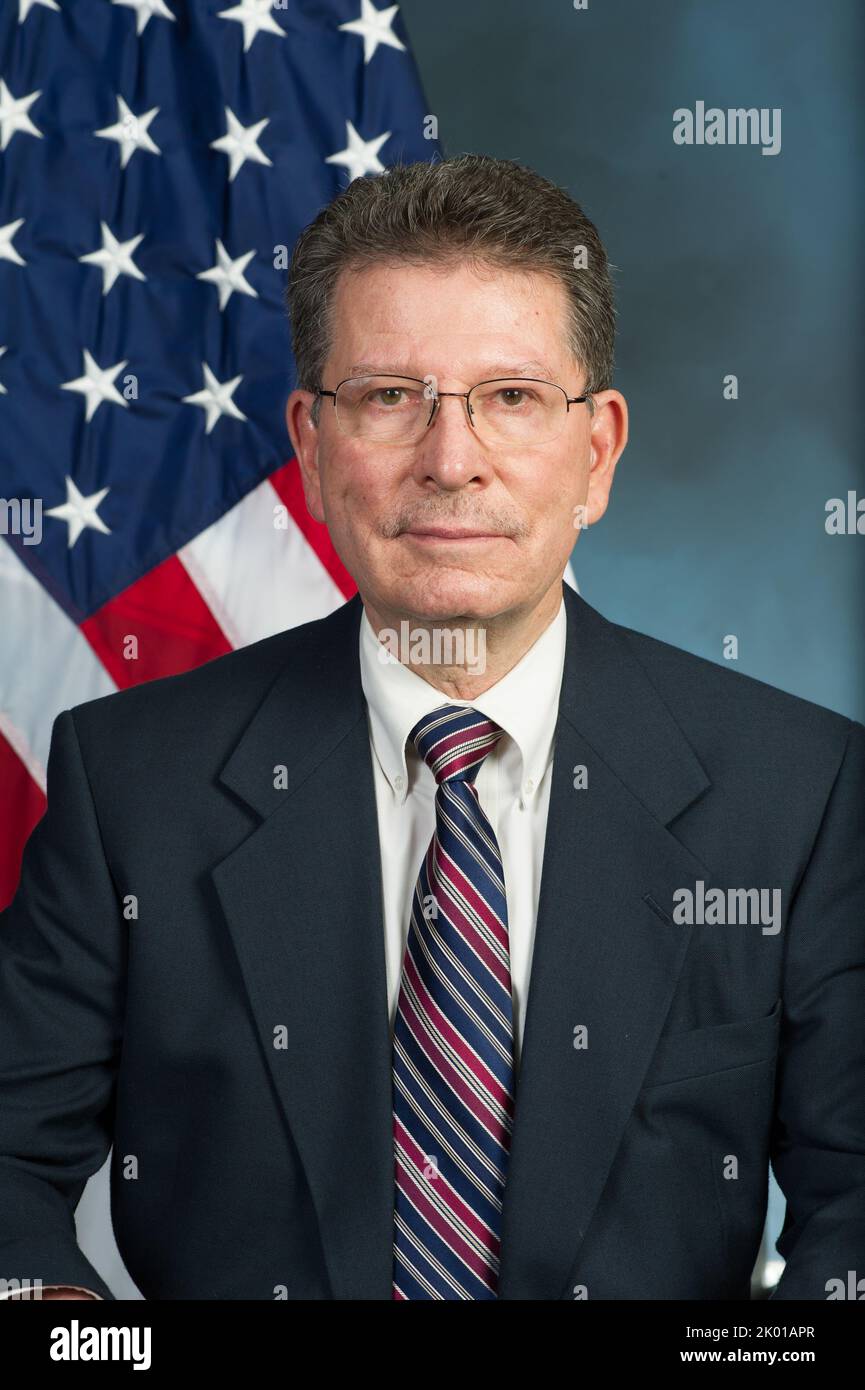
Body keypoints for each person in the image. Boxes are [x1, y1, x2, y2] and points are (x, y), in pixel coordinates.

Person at [1, 155, 862, 1301]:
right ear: (309, 446)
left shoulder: (796, 789)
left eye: (510, 396)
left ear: (595, 451)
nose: (450, 462)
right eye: (389, 397)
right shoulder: (131, 780)